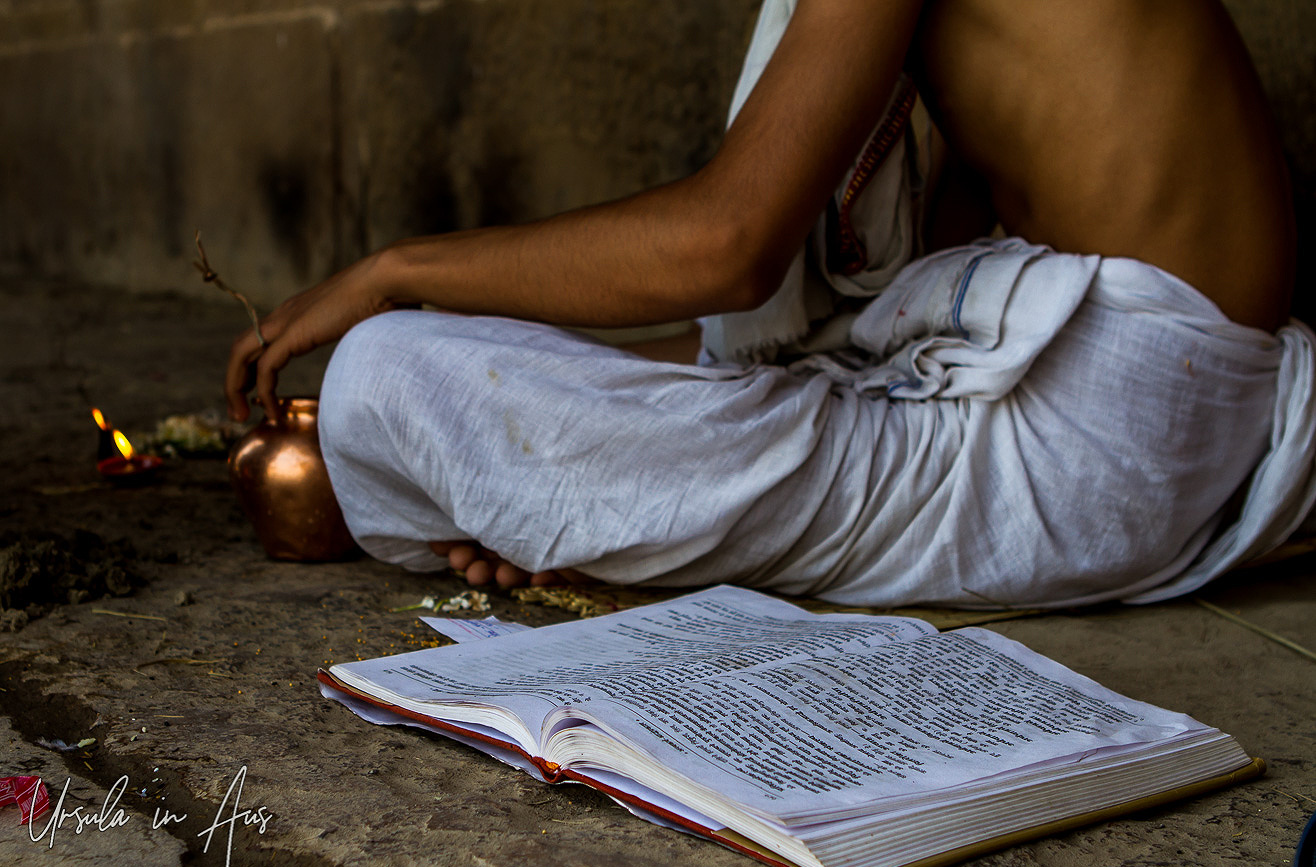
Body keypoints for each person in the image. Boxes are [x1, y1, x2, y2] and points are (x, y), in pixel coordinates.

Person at [224, 0, 1316, 608]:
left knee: (385, 377)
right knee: (511, 390)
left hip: (1108, 449)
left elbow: (728, 248)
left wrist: (390, 272)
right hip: (1171, 417)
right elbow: (869, 331)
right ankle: (617, 516)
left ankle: (605, 515)